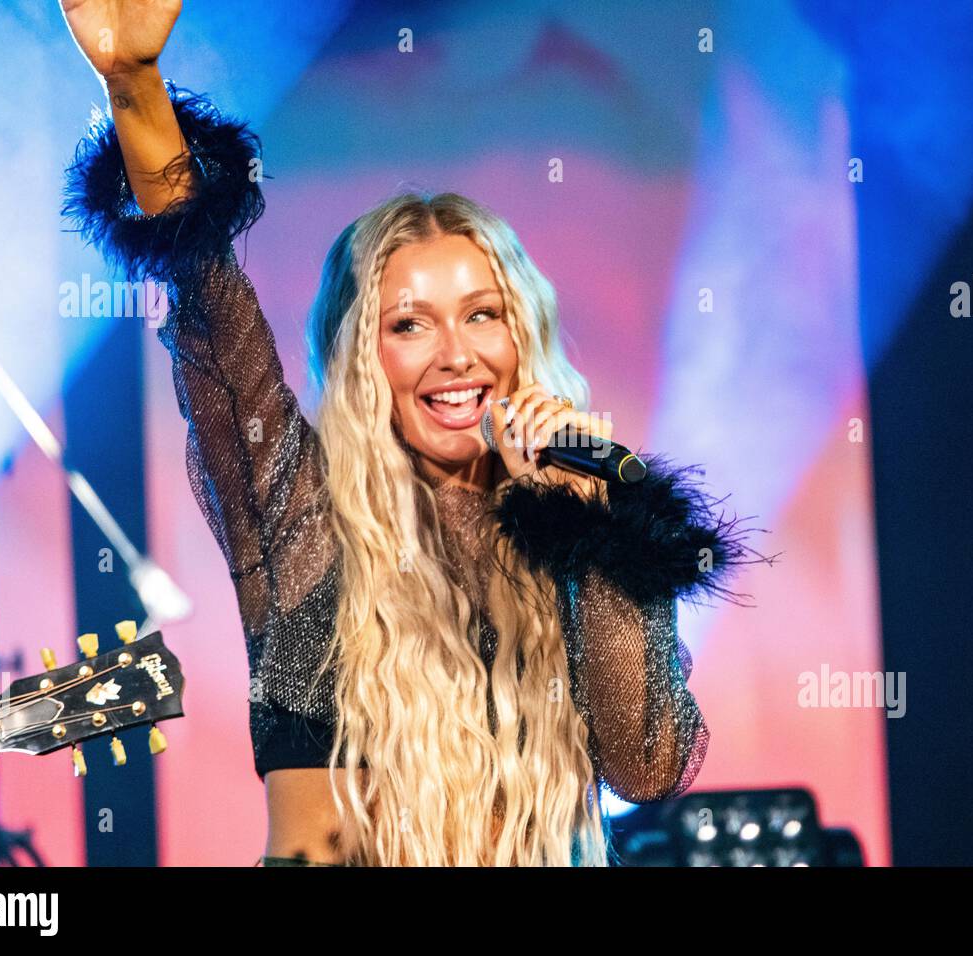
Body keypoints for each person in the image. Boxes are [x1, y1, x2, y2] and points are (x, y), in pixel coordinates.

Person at [60, 0, 760, 866]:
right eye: (410, 325)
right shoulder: (302, 512)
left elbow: (647, 765)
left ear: (524, 335)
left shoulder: (578, 535)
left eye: (483, 315)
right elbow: (205, 291)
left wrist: (596, 534)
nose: (456, 356)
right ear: (359, 357)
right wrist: (135, 87)